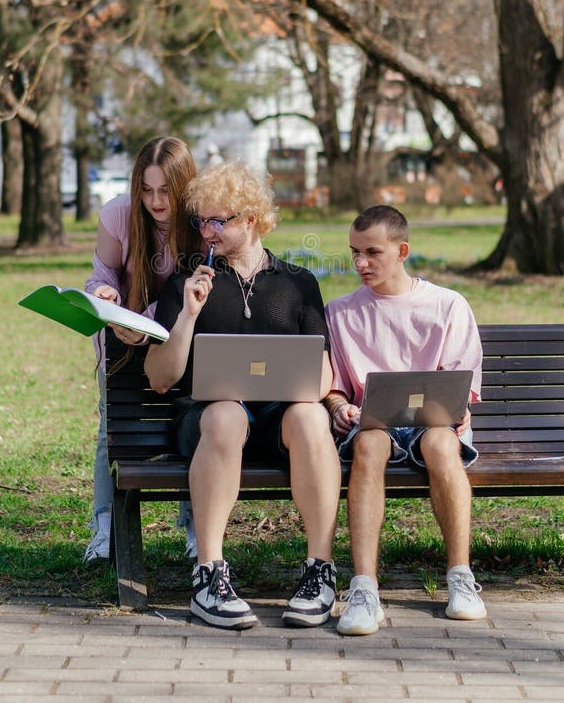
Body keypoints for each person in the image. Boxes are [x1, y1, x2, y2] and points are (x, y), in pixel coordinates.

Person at [144, 160, 341, 630]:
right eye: (200, 221)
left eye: (218, 220)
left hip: (277, 420)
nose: (206, 231)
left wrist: (293, 385)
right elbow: (160, 378)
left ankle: (320, 570)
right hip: (208, 422)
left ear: (250, 219)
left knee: (311, 417)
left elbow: (323, 376)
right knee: (227, 414)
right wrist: (188, 316)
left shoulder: (298, 283)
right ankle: (209, 574)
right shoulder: (186, 282)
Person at [324, 204, 486, 636]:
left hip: (435, 423)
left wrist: (457, 410)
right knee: (368, 443)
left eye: (372, 252)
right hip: (373, 422)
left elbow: (462, 389)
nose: (360, 263)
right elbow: (337, 385)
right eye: (354, 252)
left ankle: (460, 578)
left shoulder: (447, 305)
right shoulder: (340, 312)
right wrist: (340, 407)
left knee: (439, 443)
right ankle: (364, 588)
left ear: (402, 251)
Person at [82, 136, 201, 563]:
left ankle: (194, 528)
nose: (154, 201)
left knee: (191, 421)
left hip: (182, 338)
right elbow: (102, 275)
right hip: (122, 337)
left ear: (184, 185)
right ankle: (105, 526)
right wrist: (104, 295)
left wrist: (151, 318)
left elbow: (204, 283)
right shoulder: (118, 213)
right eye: (146, 190)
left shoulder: (203, 219)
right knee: (111, 428)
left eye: (164, 190)